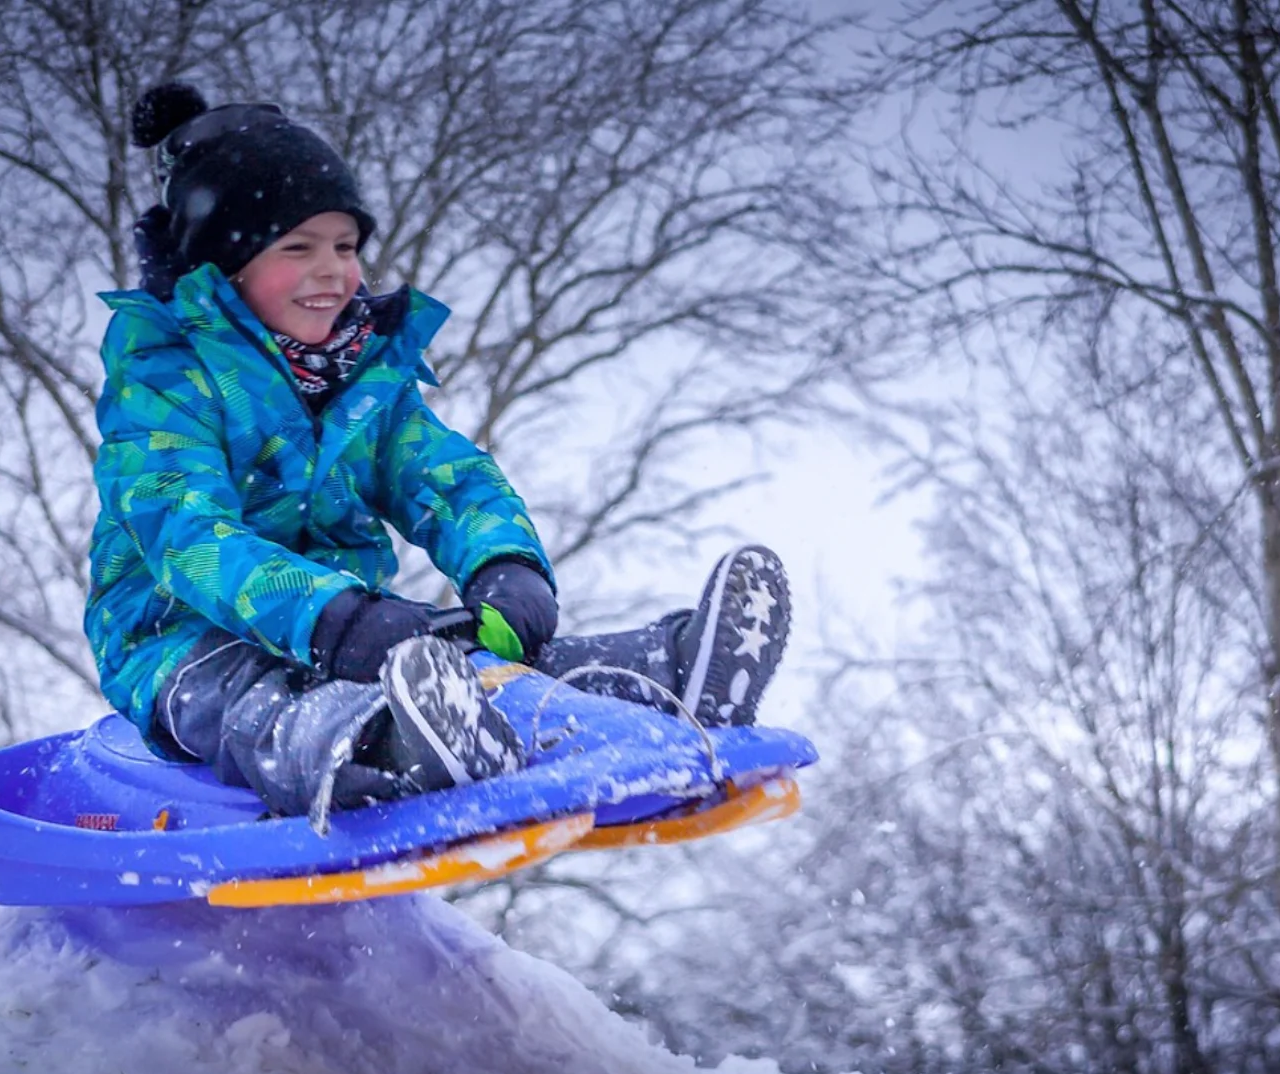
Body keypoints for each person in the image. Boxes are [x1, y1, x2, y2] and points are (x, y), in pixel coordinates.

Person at [85, 82, 791, 820]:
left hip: (345, 629)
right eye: (298, 248)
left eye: (346, 246)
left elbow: (448, 479)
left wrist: (505, 567)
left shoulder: (360, 376)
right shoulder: (165, 378)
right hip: (180, 640)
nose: (333, 271)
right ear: (223, 269)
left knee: (477, 664)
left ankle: (667, 675)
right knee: (256, 701)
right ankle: (383, 746)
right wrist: (336, 619)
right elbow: (189, 537)